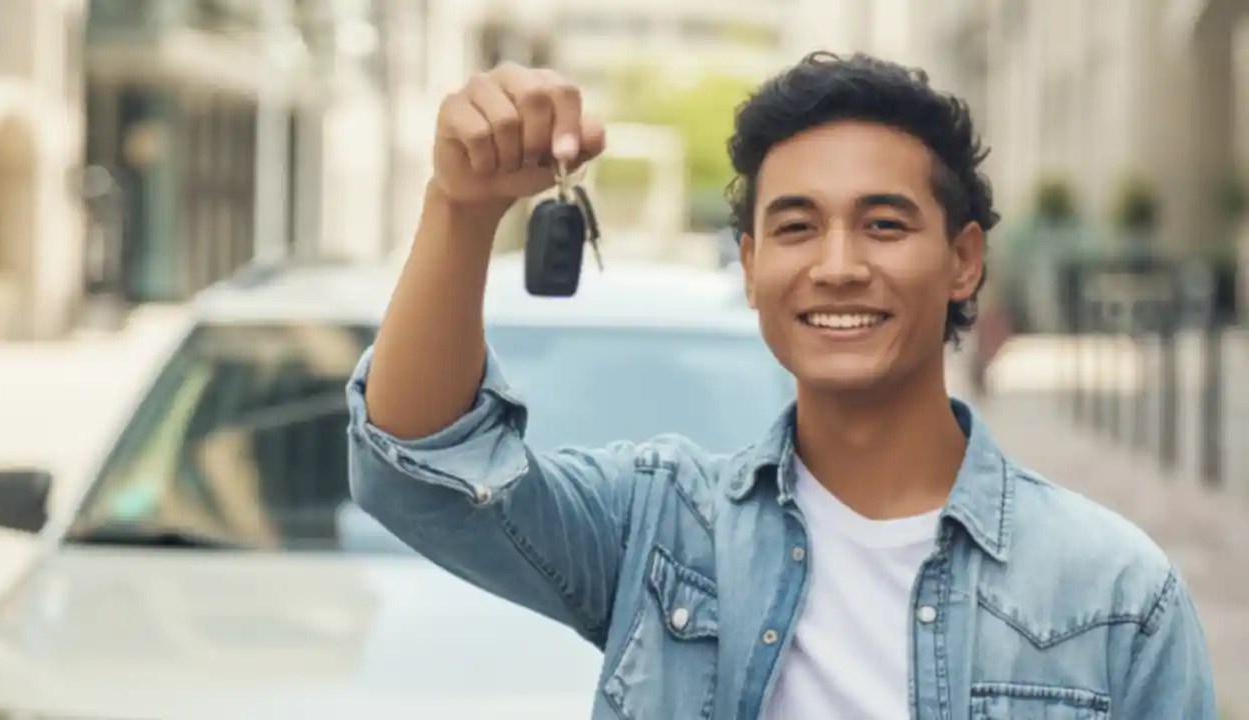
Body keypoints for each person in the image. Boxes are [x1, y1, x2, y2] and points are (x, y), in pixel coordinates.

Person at [345, 52, 1216, 718]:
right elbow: (419, 463)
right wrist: (461, 207)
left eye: (883, 224)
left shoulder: (1114, 595)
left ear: (962, 260)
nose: (838, 267)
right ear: (753, 266)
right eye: (796, 228)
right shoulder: (661, 529)